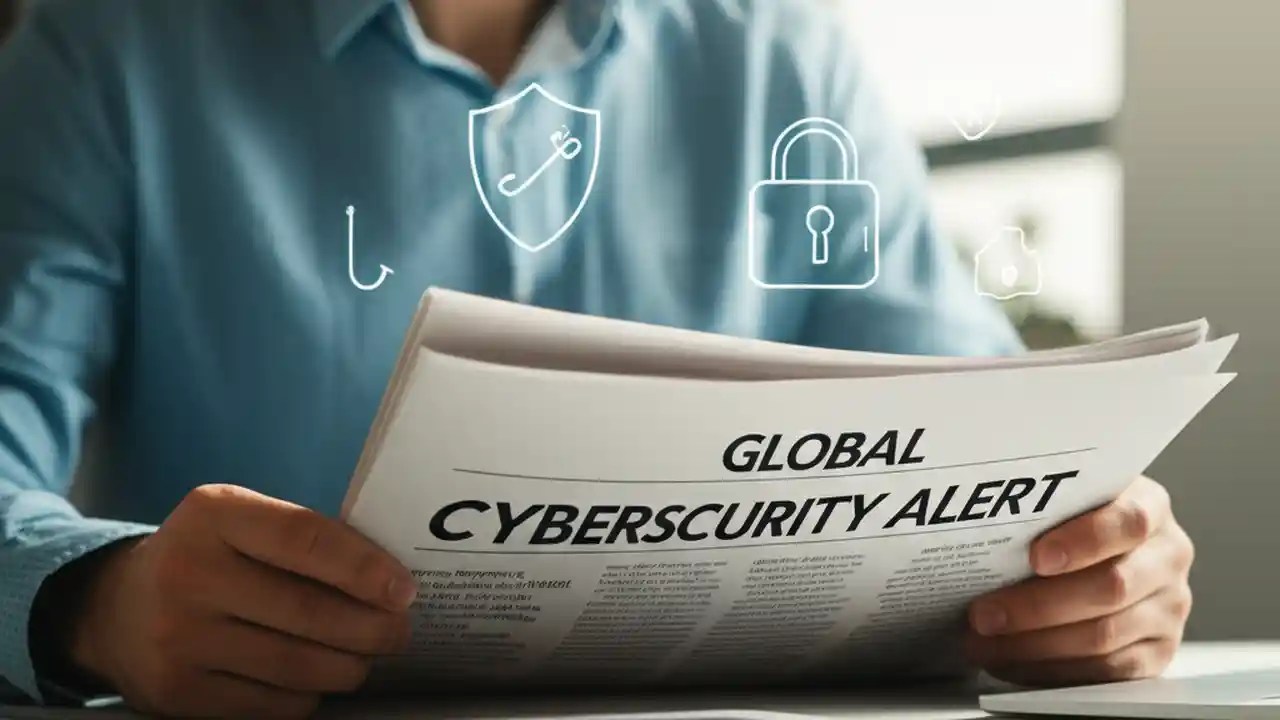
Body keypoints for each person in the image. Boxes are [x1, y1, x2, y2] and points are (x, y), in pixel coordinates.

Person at [0, 0, 1194, 716]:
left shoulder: (777, 47)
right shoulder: (110, 42)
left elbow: (986, 437)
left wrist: (1086, 568)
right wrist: (99, 602)